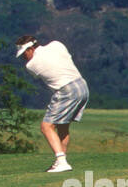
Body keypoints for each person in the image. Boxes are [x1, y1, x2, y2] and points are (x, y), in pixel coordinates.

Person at [15, 34, 88, 173]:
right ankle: (61, 161)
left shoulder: (31, 66)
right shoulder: (57, 44)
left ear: (30, 49)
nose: (24, 57)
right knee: (62, 126)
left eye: (24, 53)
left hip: (67, 90)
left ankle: (62, 162)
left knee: (46, 126)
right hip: (82, 86)